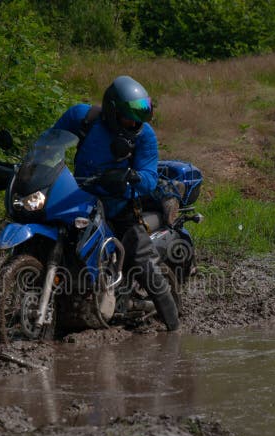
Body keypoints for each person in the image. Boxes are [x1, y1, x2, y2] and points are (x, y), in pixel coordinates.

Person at [52, 75, 180, 332]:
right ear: (111, 111)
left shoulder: (144, 136)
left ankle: (174, 329)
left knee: (144, 261)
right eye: (128, 116)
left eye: (139, 116)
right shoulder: (82, 117)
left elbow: (149, 178)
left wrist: (129, 176)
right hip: (80, 199)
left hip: (119, 206)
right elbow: (52, 141)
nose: (134, 122)